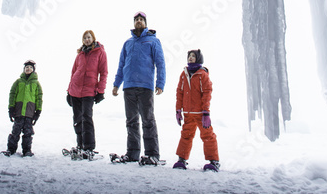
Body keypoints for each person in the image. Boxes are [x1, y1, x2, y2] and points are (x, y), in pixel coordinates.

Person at [111, 11, 166, 164]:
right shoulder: (128, 43)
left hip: (145, 86)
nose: (139, 21)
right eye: (136, 19)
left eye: (141, 19)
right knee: (131, 121)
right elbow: (122, 64)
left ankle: (152, 154)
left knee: (148, 120)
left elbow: (160, 63)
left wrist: (160, 83)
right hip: (128, 86)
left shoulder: (153, 41)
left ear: (145, 23)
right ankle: (133, 153)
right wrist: (116, 84)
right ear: (133, 22)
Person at [173, 49, 220, 171]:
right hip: (188, 113)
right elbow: (179, 92)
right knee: (186, 136)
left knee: (208, 135)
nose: (190, 58)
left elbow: (207, 93)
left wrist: (206, 112)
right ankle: (181, 159)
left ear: (198, 58)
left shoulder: (202, 75)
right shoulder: (184, 74)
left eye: (193, 56)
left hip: (200, 114)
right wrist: (178, 110)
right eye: (189, 56)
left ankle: (214, 161)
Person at [66, 29, 108, 159]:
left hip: (89, 91)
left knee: (87, 118)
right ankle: (80, 145)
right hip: (75, 91)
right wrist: (69, 91)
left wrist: (100, 91)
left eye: (89, 37)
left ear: (93, 38)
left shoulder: (100, 52)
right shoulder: (80, 55)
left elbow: (104, 73)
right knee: (77, 119)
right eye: (85, 38)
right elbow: (73, 73)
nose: (87, 40)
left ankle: (89, 147)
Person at [4, 60, 43, 157]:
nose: (28, 69)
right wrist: (11, 108)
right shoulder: (18, 82)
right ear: (24, 69)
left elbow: (39, 97)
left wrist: (38, 111)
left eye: (30, 67)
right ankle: (11, 149)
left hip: (30, 113)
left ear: (33, 70)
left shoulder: (36, 84)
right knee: (15, 131)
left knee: (28, 133)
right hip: (18, 111)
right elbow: (12, 94)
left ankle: (27, 151)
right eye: (26, 67)